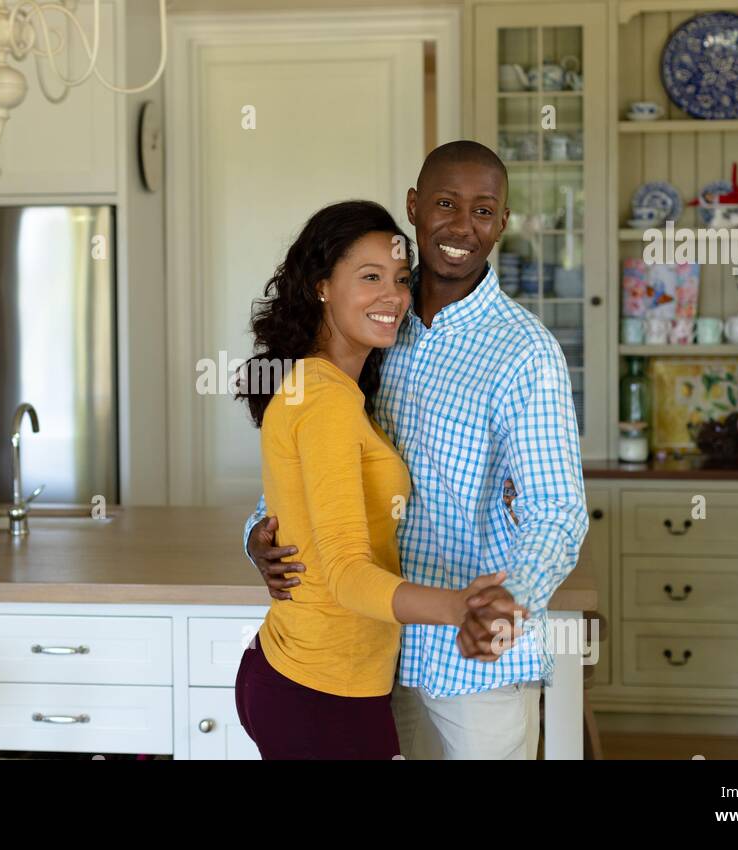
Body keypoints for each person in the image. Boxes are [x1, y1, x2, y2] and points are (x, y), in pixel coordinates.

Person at [245, 141, 588, 760]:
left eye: (484, 211)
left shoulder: (525, 353)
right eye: (447, 204)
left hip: (473, 668)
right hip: (372, 657)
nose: (463, 226)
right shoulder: (374, 326)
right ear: (414, 207)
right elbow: (317, 465)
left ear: (502, 224)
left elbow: (556, 510)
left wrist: (512, 601)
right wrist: (260, 533)